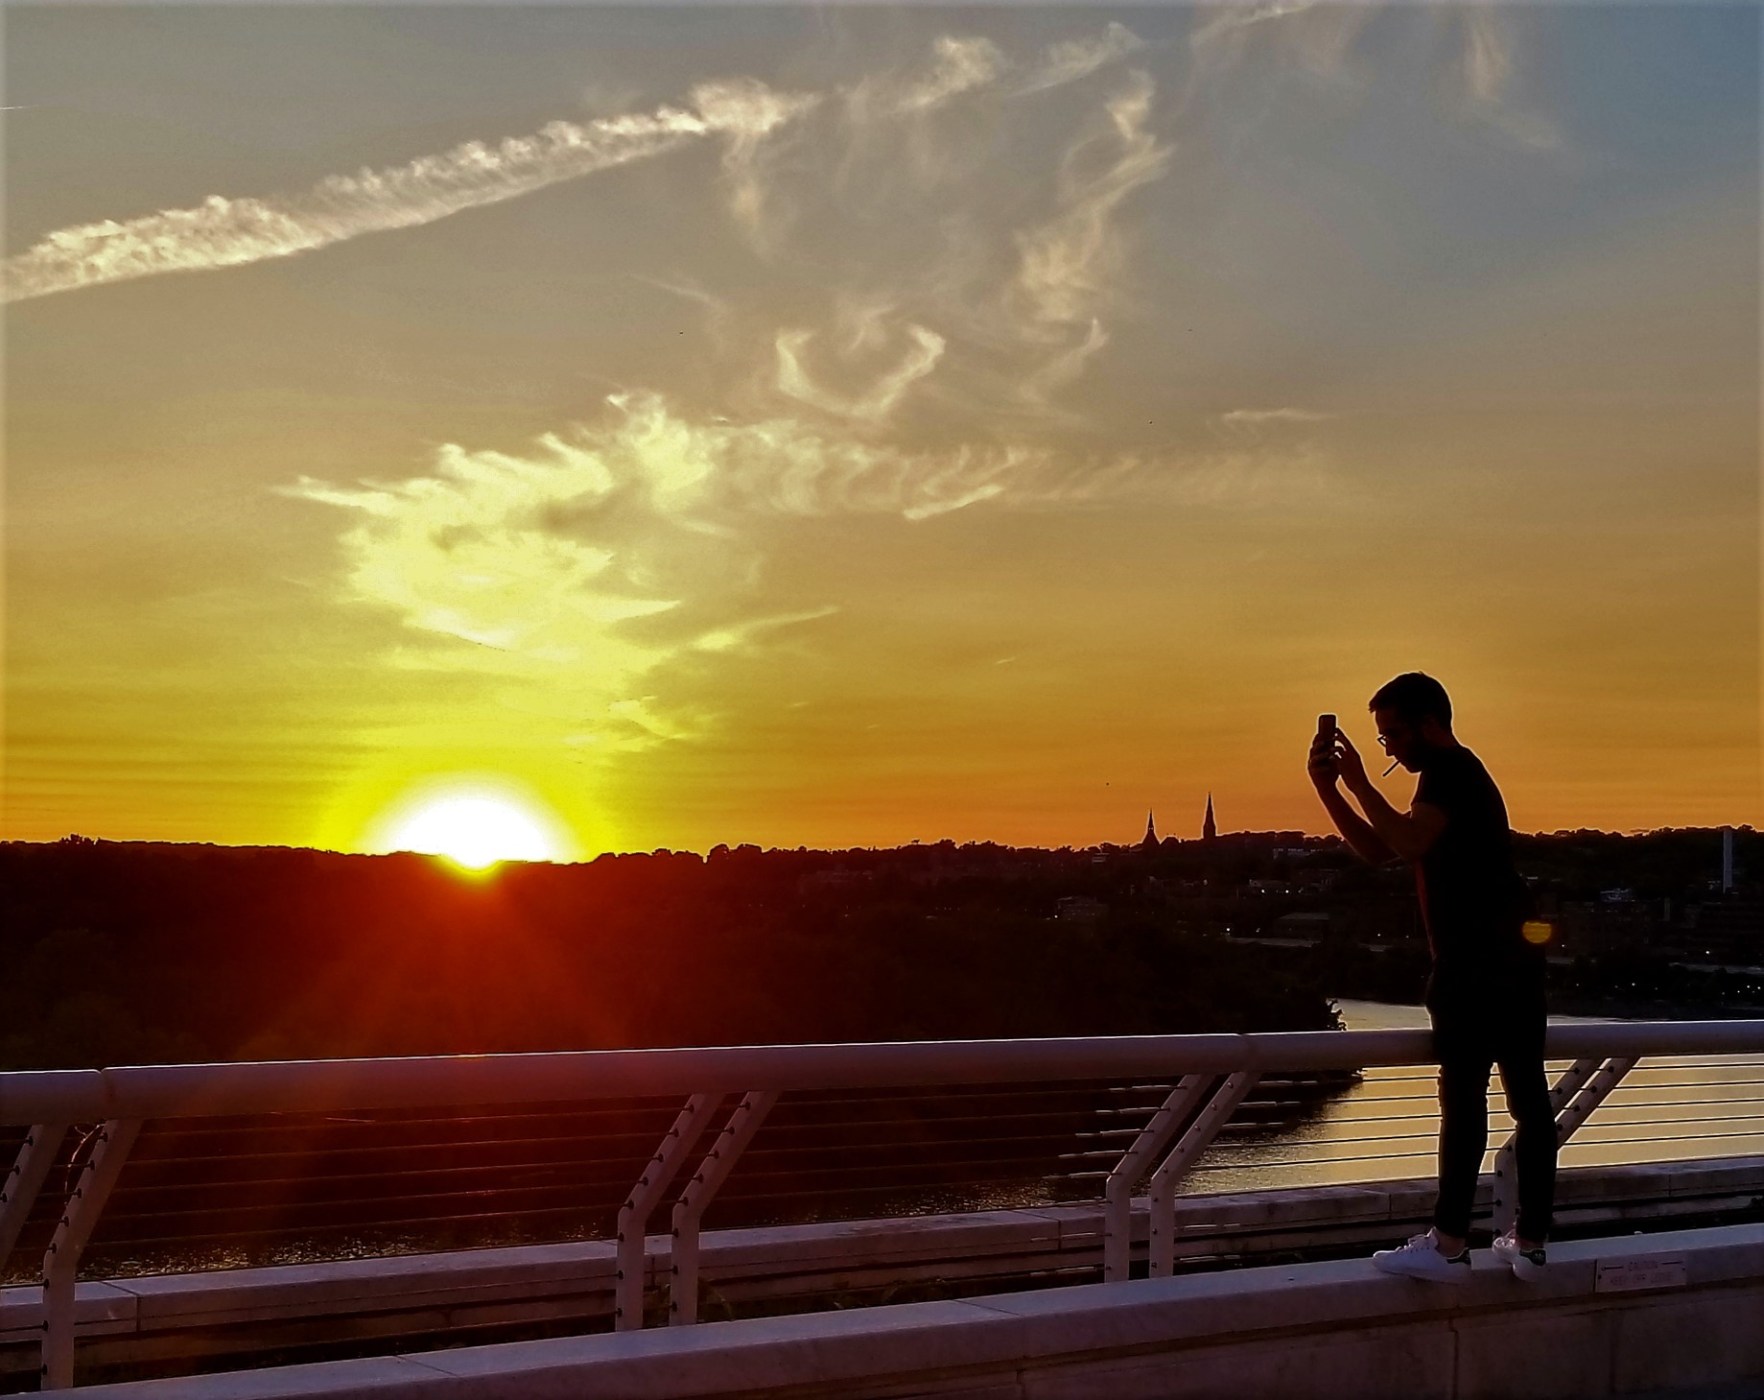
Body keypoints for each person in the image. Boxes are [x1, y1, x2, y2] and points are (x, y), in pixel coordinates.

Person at [1308, 672, 1554, 1283]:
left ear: (1428, 723)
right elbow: (1379, 848)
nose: (1387, 746)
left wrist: (1358, 779)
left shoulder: (1449, 773)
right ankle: (1530, 1242)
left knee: (1464, 1100)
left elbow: (1409, 841)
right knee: (1528, 1102)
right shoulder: (1457, 777)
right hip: (1516, 963)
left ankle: (1447, 1244)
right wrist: (1328, 789)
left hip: (1473, 966)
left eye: (1392, 733)